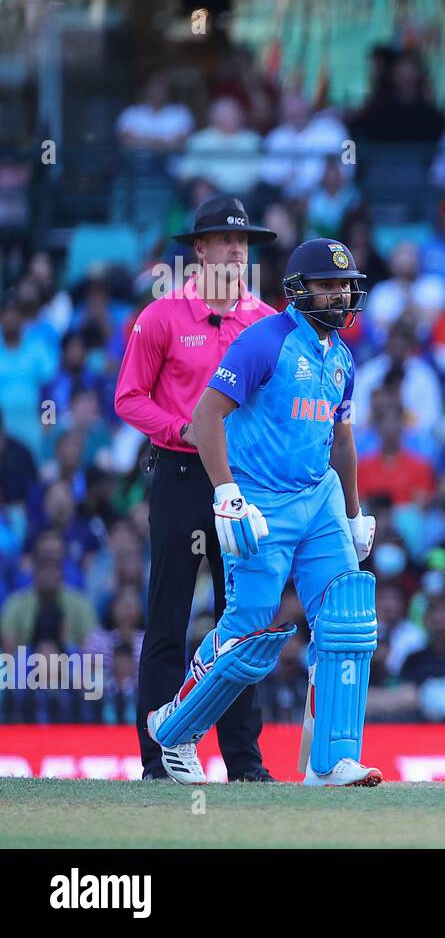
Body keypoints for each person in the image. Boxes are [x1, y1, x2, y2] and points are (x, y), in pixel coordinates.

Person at [146, 238, 381, 787]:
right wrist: (227, 494)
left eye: (345, 285)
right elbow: (206, 419)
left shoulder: (341, 357)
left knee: (346, 617)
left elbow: (340, 440)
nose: (341, 294)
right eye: (327, 285)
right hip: (261, 501)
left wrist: (352, 511)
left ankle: (331, 762)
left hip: (319, 497)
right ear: (299, 290)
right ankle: (176, 726)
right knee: (249, 630)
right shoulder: (264, 341)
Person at [115, 195, 277, 782]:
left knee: (243, 619)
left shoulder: (263, 322)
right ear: (199, 250)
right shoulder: (160, 317)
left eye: (244, 243)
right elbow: (128, 397)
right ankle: (157, 760)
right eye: (225, 241)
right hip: (183, 475)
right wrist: (181, 428)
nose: (237, 251)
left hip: (240, 480)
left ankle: (244, 762)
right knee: (169, 618)